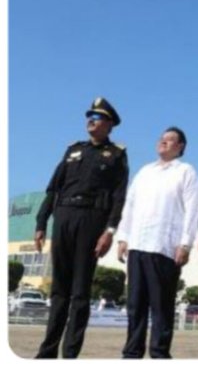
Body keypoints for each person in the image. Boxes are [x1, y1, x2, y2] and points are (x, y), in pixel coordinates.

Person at [34, 97, 131, 359]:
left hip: (91, 221)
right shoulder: (73, 150)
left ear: (110, 124)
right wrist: (41, 223)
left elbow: (119, 198)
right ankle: (47, 352)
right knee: (59, 291)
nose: (91, 119)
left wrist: (109, 231)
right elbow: (53, 188)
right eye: (90, 115)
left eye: (98, 117)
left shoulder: (117, 155)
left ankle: (70, 354)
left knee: (79, 292)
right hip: (64, 216)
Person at [117, 126, 198, 359]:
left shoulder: (186, 172)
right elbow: (130, 205)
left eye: (170, 140)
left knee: (161, 306)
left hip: (165, 247)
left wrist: (185, 244)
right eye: (161, 139)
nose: (163, 142)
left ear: (180, 146)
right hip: (138, 245)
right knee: (135, 305)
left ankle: (159, 353)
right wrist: (123, 237)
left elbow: (192, 210)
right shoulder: (145, 171)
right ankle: (132, 353)